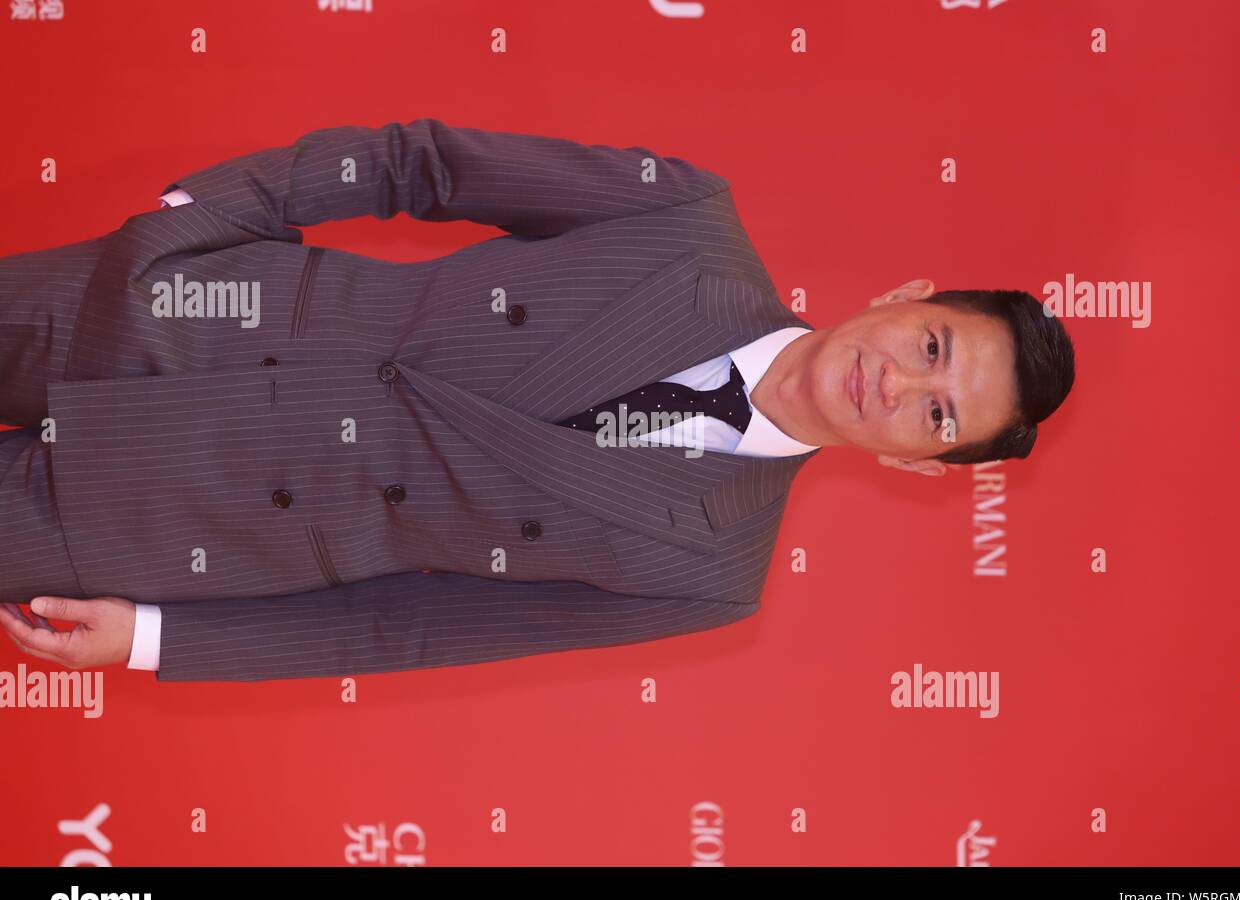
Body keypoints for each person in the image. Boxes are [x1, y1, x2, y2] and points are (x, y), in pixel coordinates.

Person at [0, 118, 1075, 681]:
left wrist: (151, 638)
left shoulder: (711, 575)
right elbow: (426, 164)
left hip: (182, 519)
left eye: (938, 414)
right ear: (902, 297)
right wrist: (222, 204)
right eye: (931, 345)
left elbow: (409, 625)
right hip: (179, 314)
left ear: (913, 465)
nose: (897, 382)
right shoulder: (691, 221)